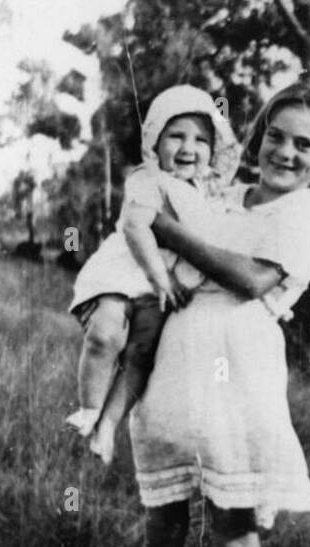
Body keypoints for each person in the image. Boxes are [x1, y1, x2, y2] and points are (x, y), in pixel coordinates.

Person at [106, 82, 310, 547]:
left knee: (233, 527)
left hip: (239, 362)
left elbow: (250, 278)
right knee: (162, 522)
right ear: (257, 136)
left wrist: (160, 225)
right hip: (174, 356)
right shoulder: (217, 193)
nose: (287, 153)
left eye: (306, 144)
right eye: (277, 136)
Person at [67, 86, 240, 464]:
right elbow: (135, 228)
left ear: (214, 150)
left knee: (142, 352)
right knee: (105, 334)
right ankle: (89, 408)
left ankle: (109, 424)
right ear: (155, 141)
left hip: (161, 287)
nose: (187, 148)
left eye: (200, 140)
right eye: (176, 136)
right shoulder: (147, 179)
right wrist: (161, 277)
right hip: (127, 271)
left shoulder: (206, 195)